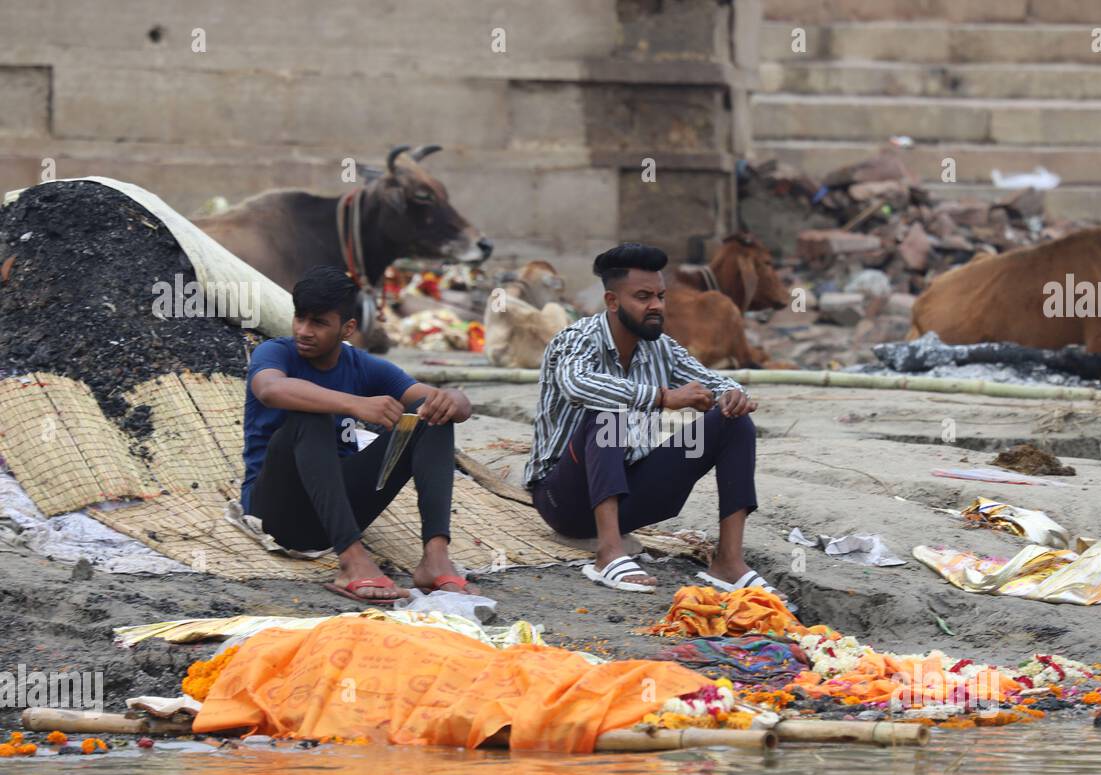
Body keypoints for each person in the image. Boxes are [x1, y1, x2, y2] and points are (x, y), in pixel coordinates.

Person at [524, 242, 775, 594]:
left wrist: (732, 395)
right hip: (564, 499)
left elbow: (714, 381)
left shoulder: (661, 347)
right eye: (643, 297)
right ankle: (608, 553)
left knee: (733, 421)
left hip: (632, 494)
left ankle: (728, 563)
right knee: (611, 409)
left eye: (660, 296)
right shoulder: (577, 339)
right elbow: (576, 384)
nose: (656, 306)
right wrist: (662, 397)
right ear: (612, 302)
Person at [240, 265, 475, 603]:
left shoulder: (362, 365)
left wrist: (453, 400)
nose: (304, 331)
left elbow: (439, 401)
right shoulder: (276, 352)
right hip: (277, 511)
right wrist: (355, 404)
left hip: (339, 511)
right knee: (311, 416)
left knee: (430, 417)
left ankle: (435, 558)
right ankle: (353, 561)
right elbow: (270, 389)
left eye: (319, 322)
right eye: (300, 318)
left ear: (347, 328)